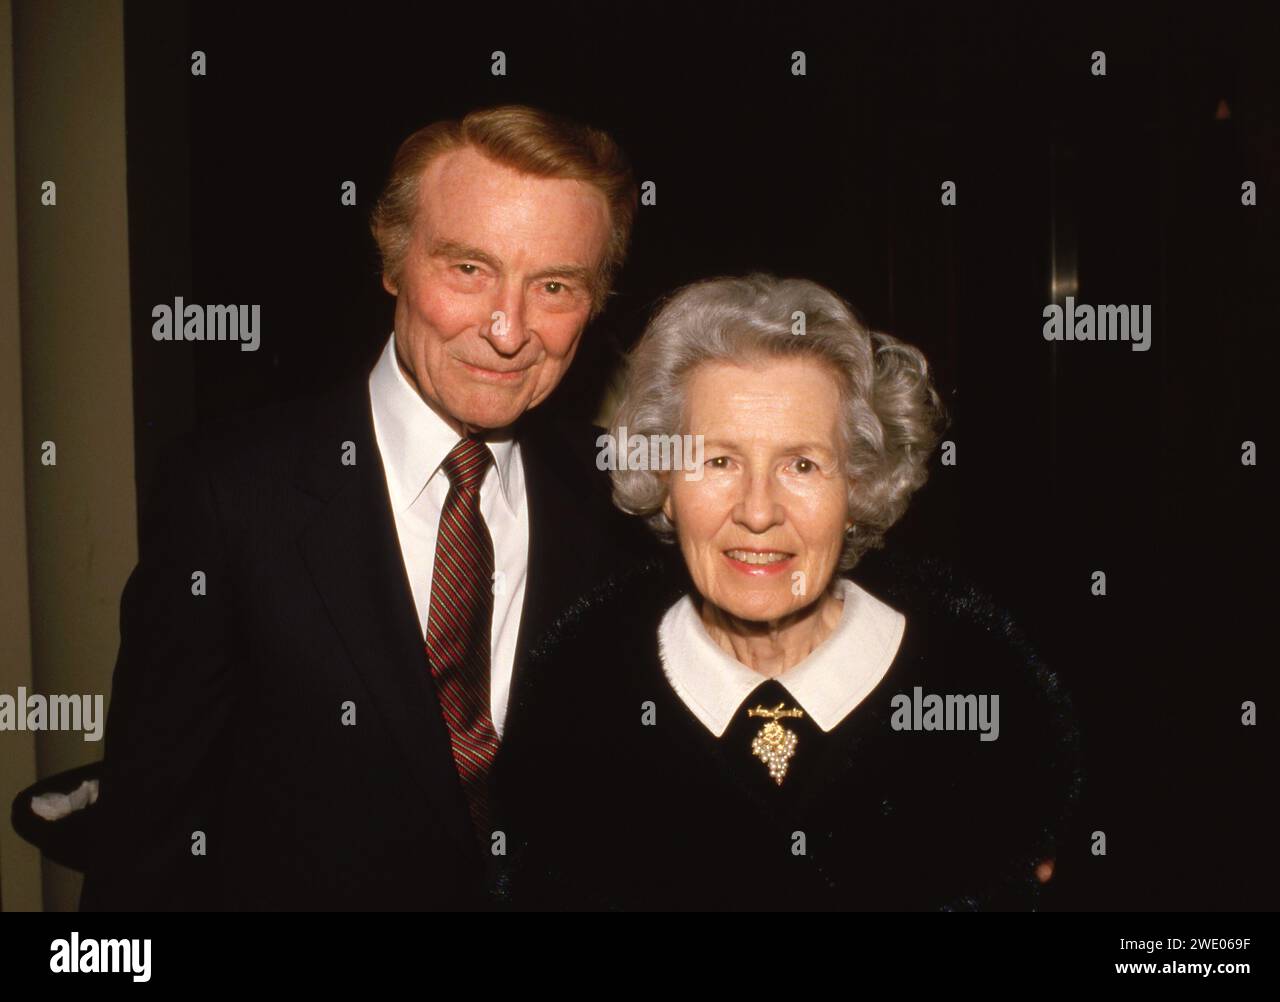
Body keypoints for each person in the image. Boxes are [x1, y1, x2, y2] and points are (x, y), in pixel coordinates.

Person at [81, 105, 653, 910]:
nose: (508, 328)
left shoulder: (622, 502)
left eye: (555, 285)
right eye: (468, 269)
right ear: (393, 262)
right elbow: (146, 838)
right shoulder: (232, 494)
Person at [496, 273, 1082, 910]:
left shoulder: (986, 733)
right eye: (718, 461)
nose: (756, 511)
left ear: (859, 486)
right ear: (664, 479)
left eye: (802, 464)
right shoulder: (577, 727)